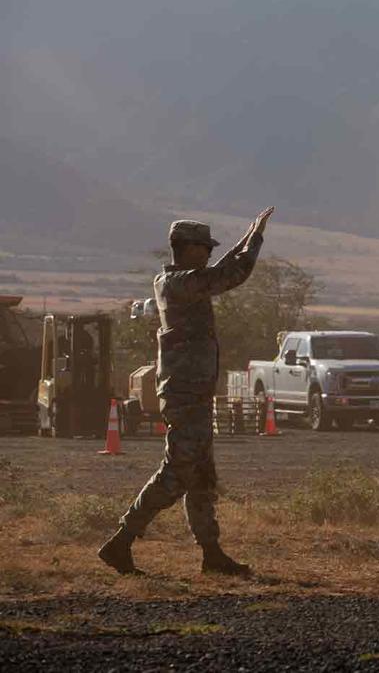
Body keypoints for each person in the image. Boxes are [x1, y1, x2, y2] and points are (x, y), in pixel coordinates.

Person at [98, 209, 273, 577]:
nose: (209, 253)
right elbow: (232, 274)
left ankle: (211, 553)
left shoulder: (181, 280)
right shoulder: (178, 284)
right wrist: (254, 239)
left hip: (193, 391)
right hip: (185, 393)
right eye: (204, 248)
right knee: (177, 472)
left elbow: (220, 271)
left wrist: (245, 239)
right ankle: (121, 541)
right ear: (187, 249)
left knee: (201, 477)